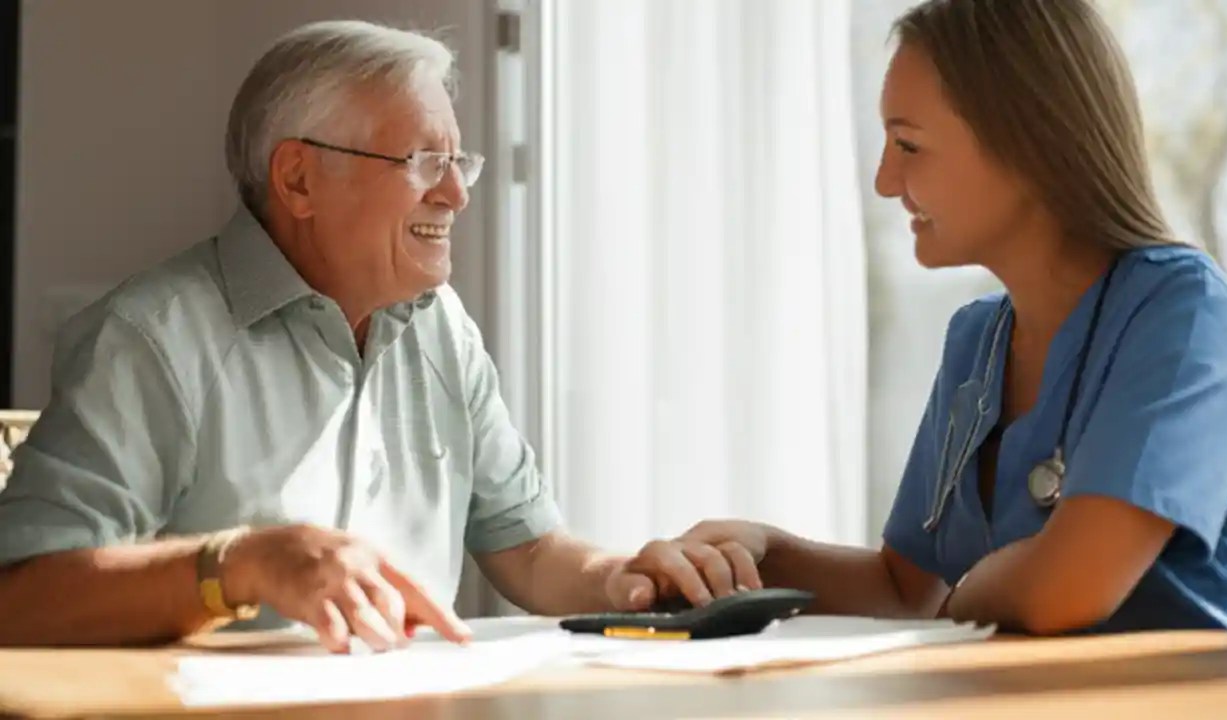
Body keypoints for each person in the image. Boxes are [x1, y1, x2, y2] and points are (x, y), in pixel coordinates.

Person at [0, 21, 711, 653]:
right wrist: (242, 563)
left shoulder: (442, 326)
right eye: (423, 162)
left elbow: (527, 551)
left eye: (459, 163)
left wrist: (624, 580)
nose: (456, 194)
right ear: (299, 178)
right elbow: (21, 598)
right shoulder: (149, 338)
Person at [627, 0, 1227, 634]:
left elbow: (1066, 590)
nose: (884, 180)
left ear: (1029, 143)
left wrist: (967, 594)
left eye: (908, 145)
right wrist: (765, 554)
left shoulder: (1184, 311)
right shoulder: (977, 341)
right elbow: (907, 590)